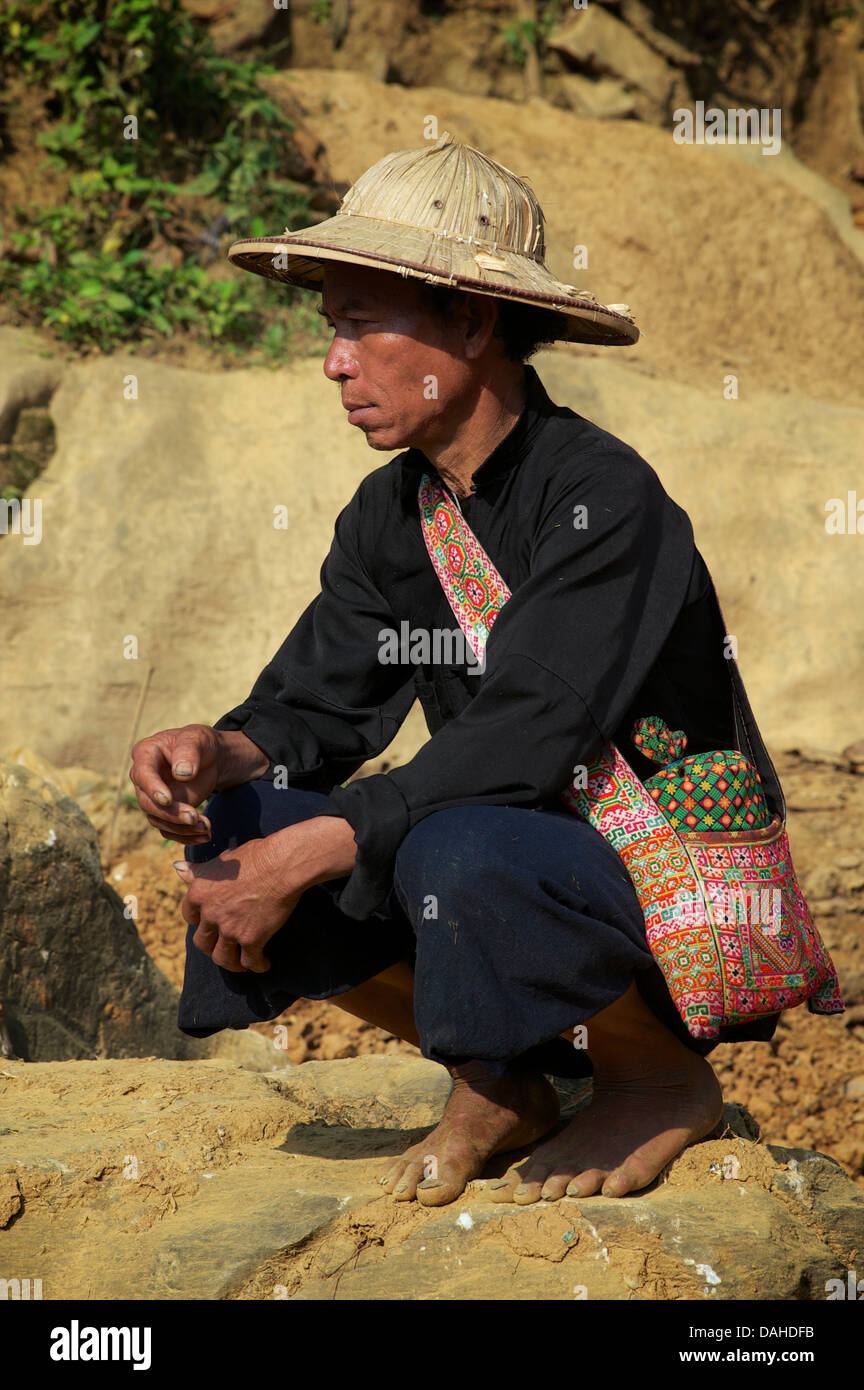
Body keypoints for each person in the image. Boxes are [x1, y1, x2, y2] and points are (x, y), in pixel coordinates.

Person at [130, 132, 782, 1209]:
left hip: (663, 891)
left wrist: (332, 838)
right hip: (514, 860)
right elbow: (321, 697)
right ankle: (499, 1079)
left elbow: (535, 725)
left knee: (449, 839)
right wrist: (220, 751)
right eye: (330, 329)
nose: (333, 361)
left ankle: (654, 1070)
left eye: (357, 326)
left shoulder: (603, 497)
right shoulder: (396, 510)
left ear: (471, 324)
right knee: (246, 826)